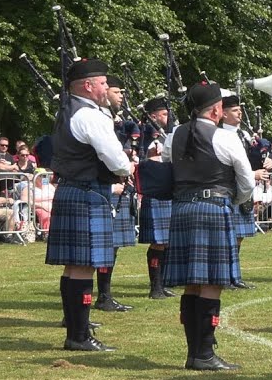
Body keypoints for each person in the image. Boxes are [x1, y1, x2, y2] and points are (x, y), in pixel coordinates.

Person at [162, 80, 255, 370]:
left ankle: (195, 353)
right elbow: (247, 182)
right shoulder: (225, 138)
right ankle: (205, 355)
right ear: (216, 110)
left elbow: (168, 167)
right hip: (213, 208)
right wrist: (235, 201)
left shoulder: (173, 135)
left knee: (192, 283)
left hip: (181, 208)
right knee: (212, 282)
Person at [45, 58, 133, 352]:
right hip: (87, 193)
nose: (107, 88)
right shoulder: (91, 116)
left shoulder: (68, 111)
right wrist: (127, 167)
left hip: (72, 190)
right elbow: (115, 158)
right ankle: (79, 336)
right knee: (83, 267)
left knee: (74, 267)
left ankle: (75, 331)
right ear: (88, 85)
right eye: (104, 83)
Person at [92, 75, 138, 313]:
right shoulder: (96, 117)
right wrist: (112, 185)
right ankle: (98, 298)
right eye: (118, 92)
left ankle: (104, 295)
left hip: (117, 186)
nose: (121, 97)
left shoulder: (115, 119)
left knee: (112, 247)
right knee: (99, 248)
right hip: (104, 189)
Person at [219, 92, 268, 289]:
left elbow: (250, 160)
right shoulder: (221, 134)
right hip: (229, 188)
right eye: (234, 110)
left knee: (238, 236)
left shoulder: (244, 134)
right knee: (227, 236)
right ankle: (225, 277)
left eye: (240, 110)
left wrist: (264, 162)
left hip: (243, 189)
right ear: (223, 114)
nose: (239, 113)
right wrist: (251, 174)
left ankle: (235, 276)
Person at [137, 97, 176, 299]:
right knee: (158, 242)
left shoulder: (165, 135)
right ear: (152, 115)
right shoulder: (143, 133)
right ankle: (155, 286)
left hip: (166, 190)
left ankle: (162, 284)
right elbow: (136, 159)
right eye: (163, 114)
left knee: (166, 241)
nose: (167, 117)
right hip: (154, 191)